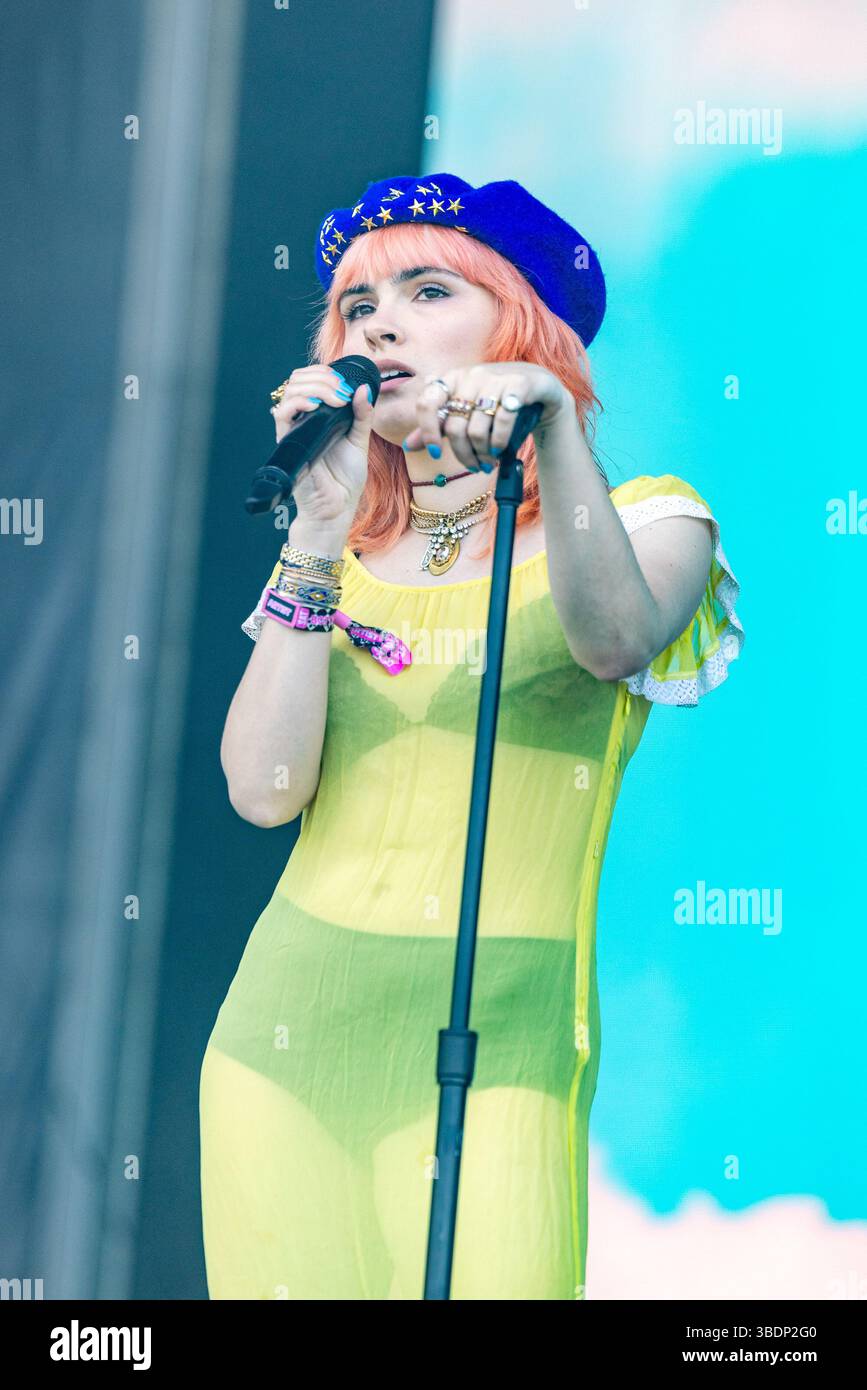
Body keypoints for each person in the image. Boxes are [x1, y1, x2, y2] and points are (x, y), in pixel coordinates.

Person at [199, 172, 744, 1300]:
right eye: (357, 306)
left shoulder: (653, 517)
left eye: (426, 289)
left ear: (520, 323)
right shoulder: (340, 549)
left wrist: (545, 419)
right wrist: (314, 530)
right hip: (287, 1044)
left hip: (507, 1052)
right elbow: (263, 787)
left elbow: (613, 639)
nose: (378, 322)